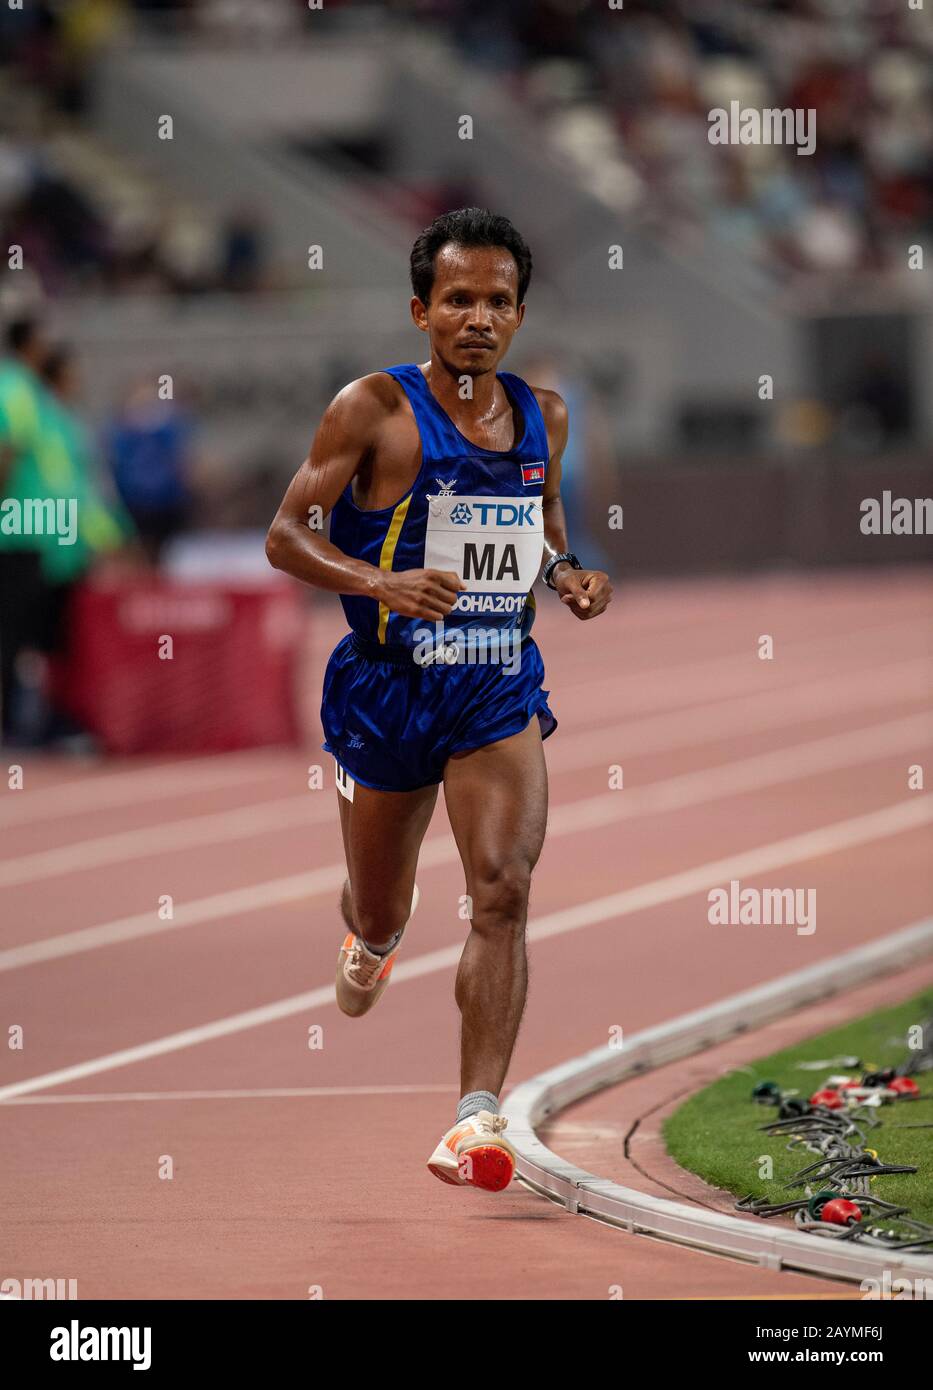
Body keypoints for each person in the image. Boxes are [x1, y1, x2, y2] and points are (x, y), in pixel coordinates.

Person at [266, 208, 611, 1192]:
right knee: (381, 905)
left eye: (497, 300)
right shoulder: (371, 408)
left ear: (519, 313)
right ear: (422, 310)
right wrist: (382, 583)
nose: (478, 317)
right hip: (385, 685)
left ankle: (474, 1116)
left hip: (494, 675)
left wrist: (569, 573)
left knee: (500, 886)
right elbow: (285, 535)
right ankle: (372, 937)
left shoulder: (544, 413)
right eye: (458, 298)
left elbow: (542, 525)